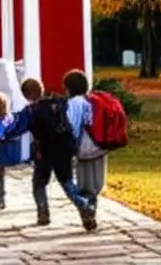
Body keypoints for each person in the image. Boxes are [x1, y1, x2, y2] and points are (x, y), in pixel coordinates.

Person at [4, 77, 96, 230]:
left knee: (39, 182)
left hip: (44, 151)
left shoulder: (30, 111)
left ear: (26, 95)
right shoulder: (60, 102)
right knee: (67, 182)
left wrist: (5, 132)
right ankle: (84, 205)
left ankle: (43, 212)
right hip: (64, 148)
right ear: (41, 88)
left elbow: (16, 129)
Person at [64, 69, 107, 216]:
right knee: (97, 179)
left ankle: (88, 208)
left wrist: (70, 146)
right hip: (100, 144)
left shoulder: (74, 103)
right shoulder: (93, 100)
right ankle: (93, 204)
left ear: (69, 88)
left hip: (84, 146)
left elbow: (73, 126)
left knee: (85, 180)